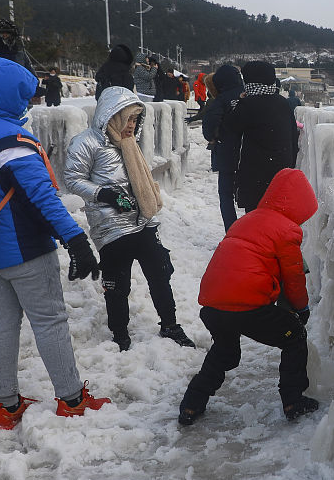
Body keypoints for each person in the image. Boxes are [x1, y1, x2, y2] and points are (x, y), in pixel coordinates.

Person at [0, 56, 111, 428]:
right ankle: (72, 398)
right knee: (50, 322)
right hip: (24, 247)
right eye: (24, 97)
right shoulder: (13, 143)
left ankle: (6, 404)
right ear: (9, 96)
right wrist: (77, 241)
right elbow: (43, 198)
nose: (28, 103)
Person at [177, 167, 319, 425]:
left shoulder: (248, 219)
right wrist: (302, 308)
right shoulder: (288, 230)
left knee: (225, 351)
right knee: (294, 336)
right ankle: (293, 400)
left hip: (212, 303)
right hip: (248, 306)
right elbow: (294, 277)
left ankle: (191, 404)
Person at [63, 86, 195, 352]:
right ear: (112, 117)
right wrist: (106, 195)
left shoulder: (129, 143)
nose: (132, 125)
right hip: (110, 227)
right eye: (128, 119)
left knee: (160, 271)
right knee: (116, 283)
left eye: (136, 120)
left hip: (141, 220)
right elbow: (72, 179)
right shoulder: (87, 142)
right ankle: (120, 335)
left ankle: (170, 324)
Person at [225, 60, 300, 212]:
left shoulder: (248, 104)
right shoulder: (283, 102)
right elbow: (294, 136)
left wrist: (238, 102)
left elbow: (230, 127)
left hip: (256, 174)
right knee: (277, 213)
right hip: (282, 171)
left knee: (257, 215)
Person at [201, 63, 246, 229]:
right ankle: (253, 233)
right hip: (250, 154)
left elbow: (209, 125)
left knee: (226, 195)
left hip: (227, 154)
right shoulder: (248, 94)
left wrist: (213, 137)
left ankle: (232, 231)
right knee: (250, 195)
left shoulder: (220, 99)